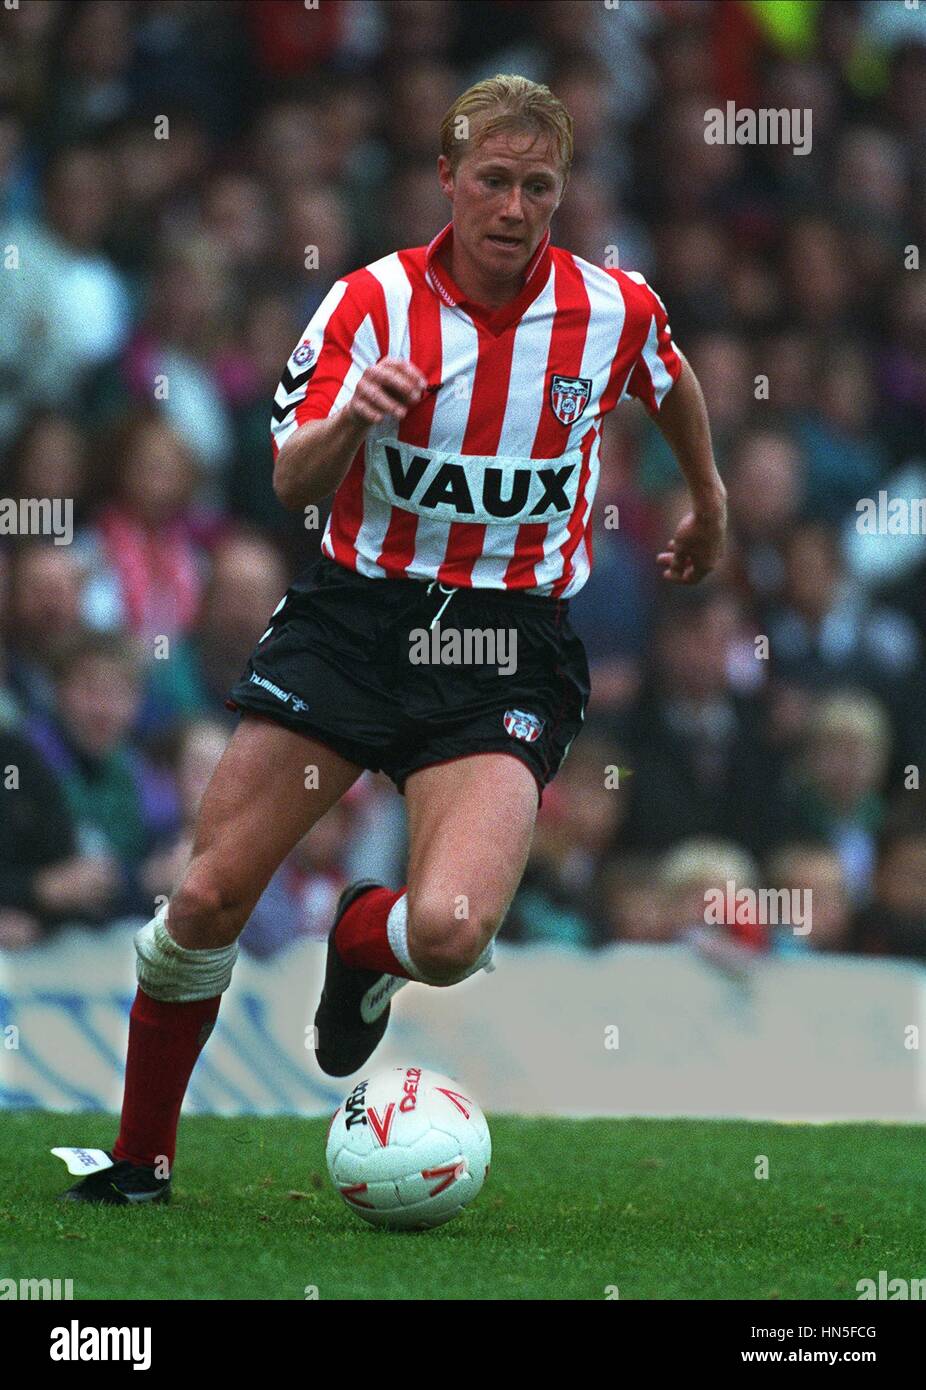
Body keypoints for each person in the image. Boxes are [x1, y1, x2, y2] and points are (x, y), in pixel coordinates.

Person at [58, 74, 726, 1204]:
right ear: (446, 179)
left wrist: (706, 499)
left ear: (561, 193)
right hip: (357, 625)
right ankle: (141, 1159)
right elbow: (289, 479)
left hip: (504, 648)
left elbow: (671, 381)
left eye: (538, 187)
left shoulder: (611, 308)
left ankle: (361, 942)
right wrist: (355, 416)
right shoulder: (369, 304)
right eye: (493, 181)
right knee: (207, 898)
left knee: (454, 934)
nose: (513, 208)